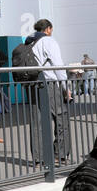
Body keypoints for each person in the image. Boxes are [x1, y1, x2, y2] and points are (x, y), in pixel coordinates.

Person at [29, 19, 73, 165]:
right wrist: (66, 87)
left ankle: (38, 158)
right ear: (48, 29)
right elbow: (58, 66)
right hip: (51, 84)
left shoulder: (29, 42)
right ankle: (59, 155)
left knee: (38, 122)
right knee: (61, 118)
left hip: (35, 84)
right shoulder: (48, 41)